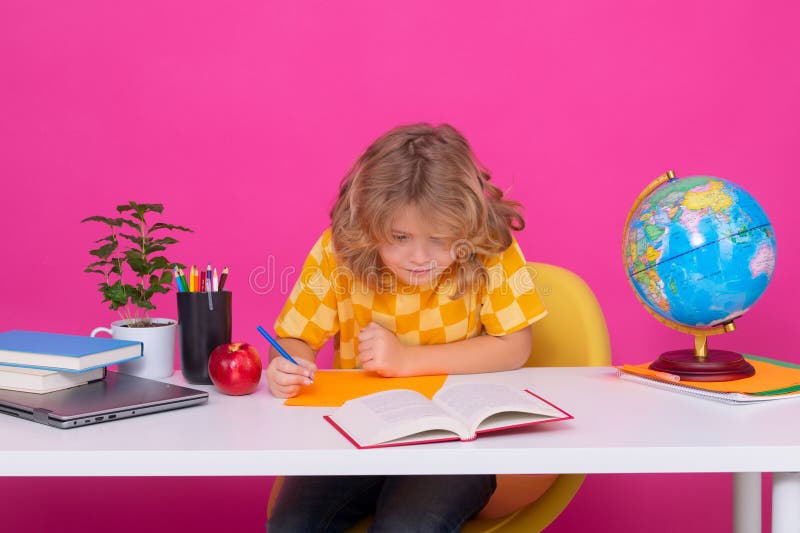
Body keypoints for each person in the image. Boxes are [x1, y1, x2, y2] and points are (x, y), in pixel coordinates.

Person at [267, 123, 549, 533]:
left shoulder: (489, 248)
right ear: (367, 224)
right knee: (292, 523)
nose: (419, 257)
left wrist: (406, 360)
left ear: (466, 228)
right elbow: (295, 337)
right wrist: (288, 364)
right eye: (399, 236)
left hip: (456, 442)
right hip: (360, 431)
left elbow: (515, 345)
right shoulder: (338, 250)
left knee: (408, 525)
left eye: (439, 238)